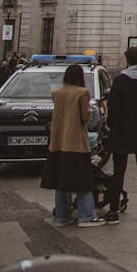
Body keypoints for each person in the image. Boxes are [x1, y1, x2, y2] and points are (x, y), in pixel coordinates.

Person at [39, 64, 104, 228]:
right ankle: (87, 216)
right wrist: (90, 112)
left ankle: (62, 216)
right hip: (75, 142)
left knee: (62, 180)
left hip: (58, 142)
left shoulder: (57, 93)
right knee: (82, 180)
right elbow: (86, 116)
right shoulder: (82, 93)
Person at [103, 47, 137, 223]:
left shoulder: (120, 80)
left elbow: (113, 108)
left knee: (119, 171)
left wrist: (110, 124)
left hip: (122, 130)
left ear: (127, 60)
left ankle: (113, 212)